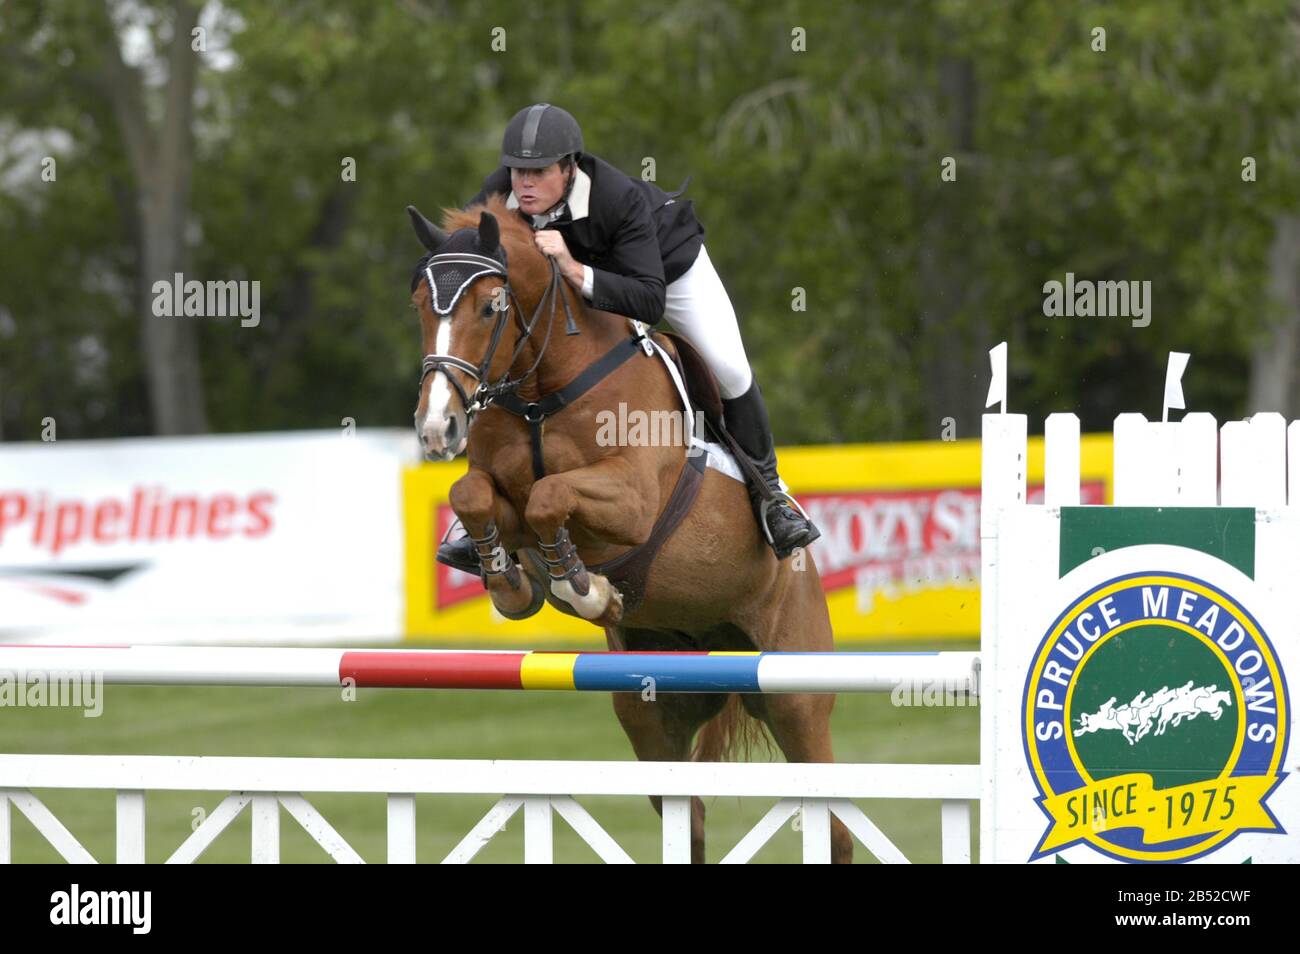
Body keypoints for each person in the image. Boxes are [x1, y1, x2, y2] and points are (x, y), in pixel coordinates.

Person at [438, 102, 819, 571]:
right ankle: (482, 514)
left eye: (538, 172)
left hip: (665, 273)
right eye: (517, 171)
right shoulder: (501, 192)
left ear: (570, 168)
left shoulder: (616, 197)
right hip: (579, 287)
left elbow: (648, 300)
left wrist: (575, 269)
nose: (524, 184)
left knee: (728, 368)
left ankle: (771, 496)